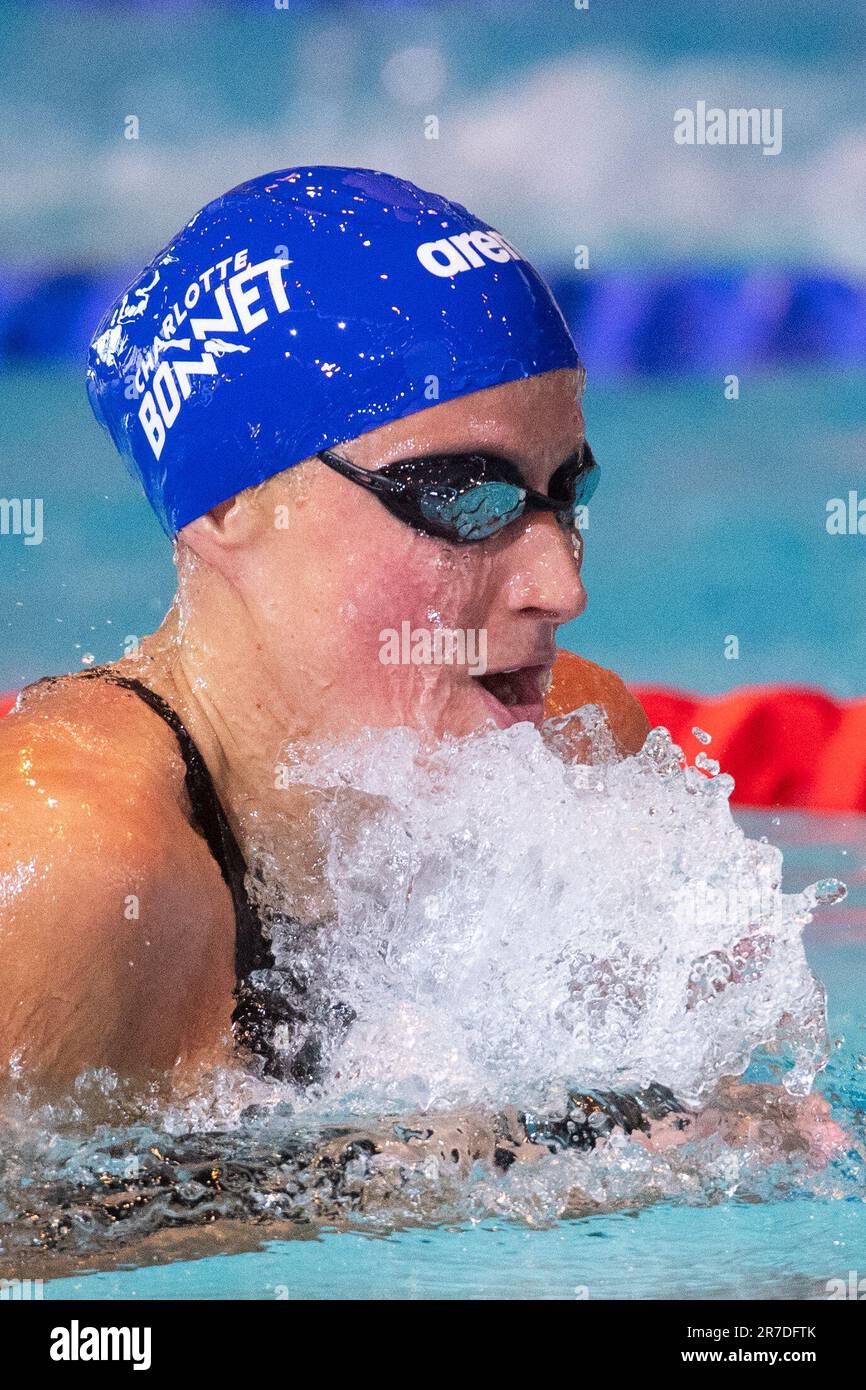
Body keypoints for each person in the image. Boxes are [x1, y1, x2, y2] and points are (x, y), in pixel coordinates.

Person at [0, 170, 837, 1177]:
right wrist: (499, 1161)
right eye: (460, 496)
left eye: (562, 493)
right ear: (225, 505)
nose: (558, 583)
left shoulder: (569, 747)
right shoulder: (73, 877)